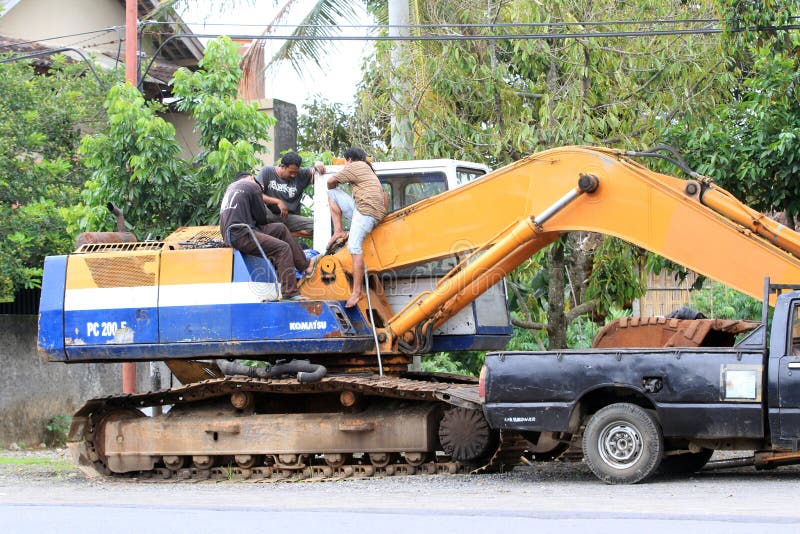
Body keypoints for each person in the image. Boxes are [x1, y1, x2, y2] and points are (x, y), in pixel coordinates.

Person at [220, 172, 311, 301]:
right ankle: (290, 293)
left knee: (280, 228)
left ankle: (304, 265)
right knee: (282, 248)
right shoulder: (253, 186)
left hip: (231, 233)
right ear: (251, 178)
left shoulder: (231, 188)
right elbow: (261, 217)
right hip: (242, 233)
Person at [327, 147, 388, 308]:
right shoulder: (369, 171)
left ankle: (356, 292)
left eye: (345, 162)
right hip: (373, 214)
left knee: (354, 246)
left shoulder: (355, 166)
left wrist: (344, 171)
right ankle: (338, 230)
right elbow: (385, 196)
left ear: (349, 160)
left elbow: (330, 181)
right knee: (333, 194)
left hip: (365, 212)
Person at [256, 151, 325, 237]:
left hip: (287, 218)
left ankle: (285, 234)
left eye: (296, 172)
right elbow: (256, 194)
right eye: (291, 172)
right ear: (282, 166)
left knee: (318, 227)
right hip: (269, 216)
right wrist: (278, 202)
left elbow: (317, 172)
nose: (293, 175)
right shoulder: (267, 171)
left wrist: (318, 163)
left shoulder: (301, 174)